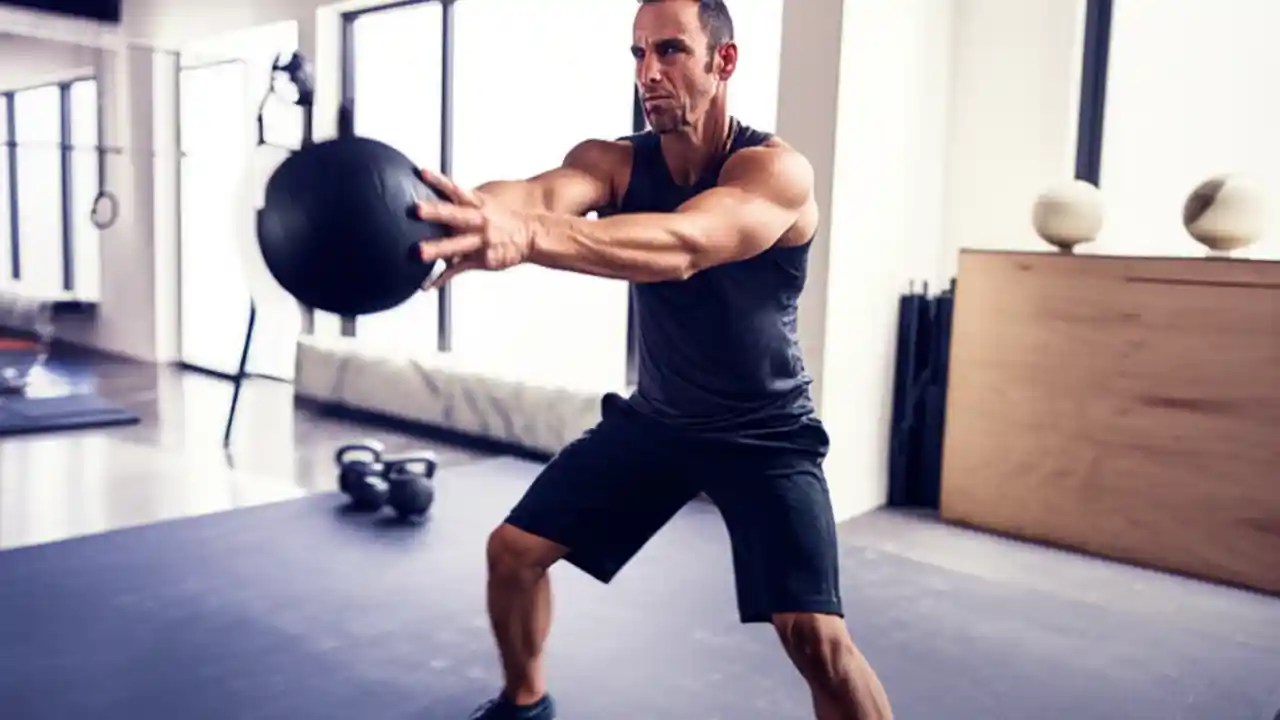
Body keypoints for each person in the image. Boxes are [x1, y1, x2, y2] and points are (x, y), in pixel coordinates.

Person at [414, 1, 893, 718]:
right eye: (638, 54)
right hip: (658, 422)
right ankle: (525, 702)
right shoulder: (613, 162)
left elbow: (684, 245)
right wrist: (448, 214)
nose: (649, 73)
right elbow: (535, 196)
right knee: (512, 554)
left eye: (670, 51)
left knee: (815, 637)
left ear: (723, 61)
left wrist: (528, 236)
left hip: (764, 433)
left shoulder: (775, 174)